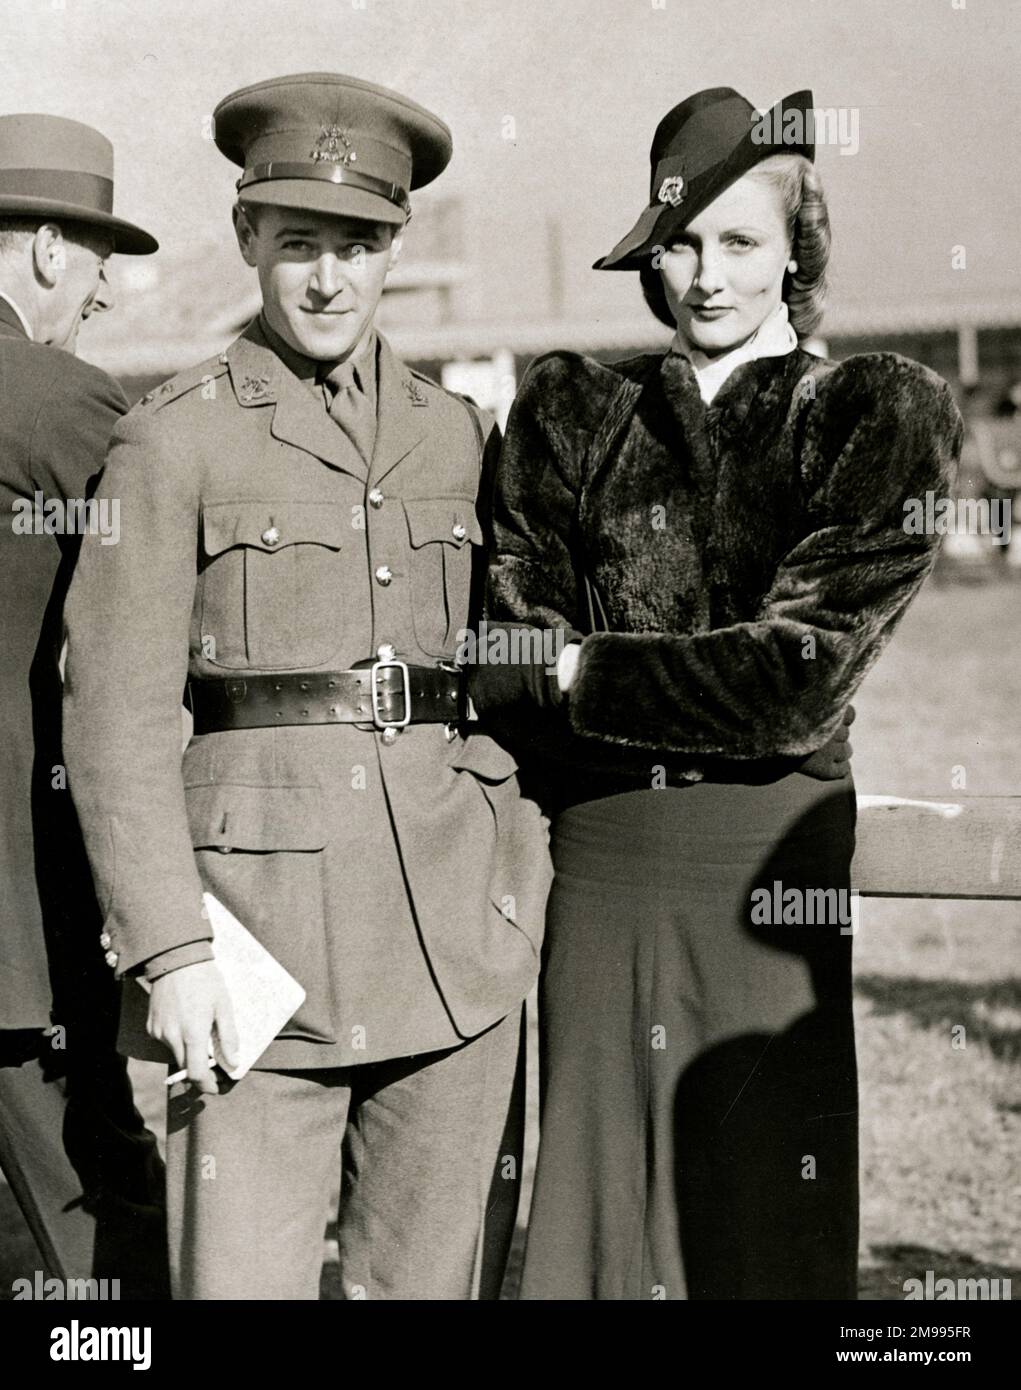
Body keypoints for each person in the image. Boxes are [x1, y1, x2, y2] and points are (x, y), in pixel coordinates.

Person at [62, 72, 551, 1301]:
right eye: (298, 244)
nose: (329, 278)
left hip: (453, 951)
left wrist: (515, 888)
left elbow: (508, 671)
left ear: (396, 248)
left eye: (358, 244)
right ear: (246, 241)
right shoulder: (168, 439)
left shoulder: (457, 435)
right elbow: (114, 717)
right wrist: (173, 954)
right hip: (253, 970)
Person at [478, 86, 963, 1299]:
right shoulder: (570, 412)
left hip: (763, 879)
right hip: (597, 863)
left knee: (758, 1213)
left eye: (740, 241)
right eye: (680, 241)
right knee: (595, 1208)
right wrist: (571, 674)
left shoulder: (866, 412)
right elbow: (505, 645)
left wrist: (589, 669)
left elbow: (791, 684)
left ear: (796, 252)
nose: (706, 275)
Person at [0, 113, 168, 1296]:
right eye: (101, 262)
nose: (105, 295)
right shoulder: (55, 401)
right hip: (18, 947)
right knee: (95, 1253)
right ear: (51, 250)